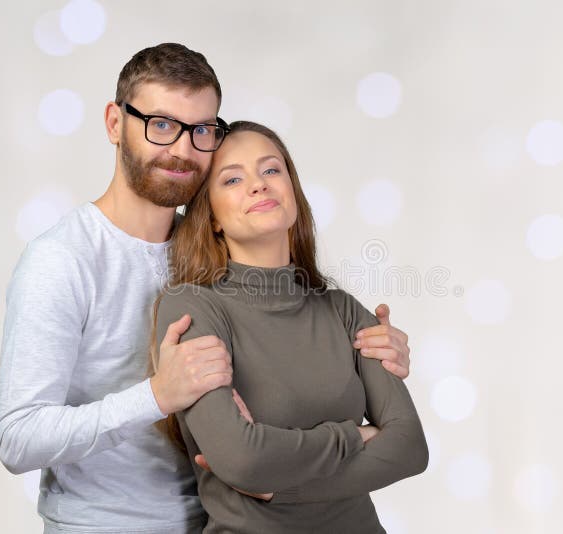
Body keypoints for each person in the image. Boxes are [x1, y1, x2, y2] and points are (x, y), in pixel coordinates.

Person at [0, 43, 413, 534]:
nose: (182, 149)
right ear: (114, 123)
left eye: (201, 131)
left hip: (222, 518)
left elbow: (287, 370)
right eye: (162, 124)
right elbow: (18, 438)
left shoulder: (221, 252)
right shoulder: (62, 259)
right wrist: (156, 395)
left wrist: (368, 355)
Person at [153, 121, 428, 533]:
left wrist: (280, 489)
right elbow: (242, 459)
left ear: (292, 192)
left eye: (271, 170)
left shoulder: (343, 311)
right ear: (211, 217)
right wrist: (352, 437)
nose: (258, 185)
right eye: (232, 179)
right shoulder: (192, 307)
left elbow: (410, 448)